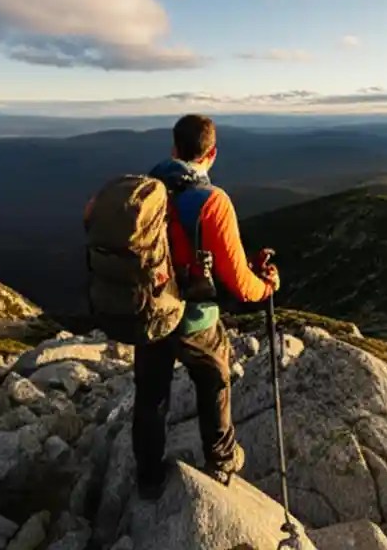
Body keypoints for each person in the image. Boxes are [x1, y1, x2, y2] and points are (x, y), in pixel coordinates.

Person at [134, 114, 280, 498]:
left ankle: (147, 478)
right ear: (212, 154)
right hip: (193, 318)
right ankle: (220, 461)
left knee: (151, 396)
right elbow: (239, 285)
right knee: (214, 379)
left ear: (173, 149)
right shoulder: (212, 202)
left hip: (148, 311)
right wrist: (265, 285)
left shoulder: (145, 192)